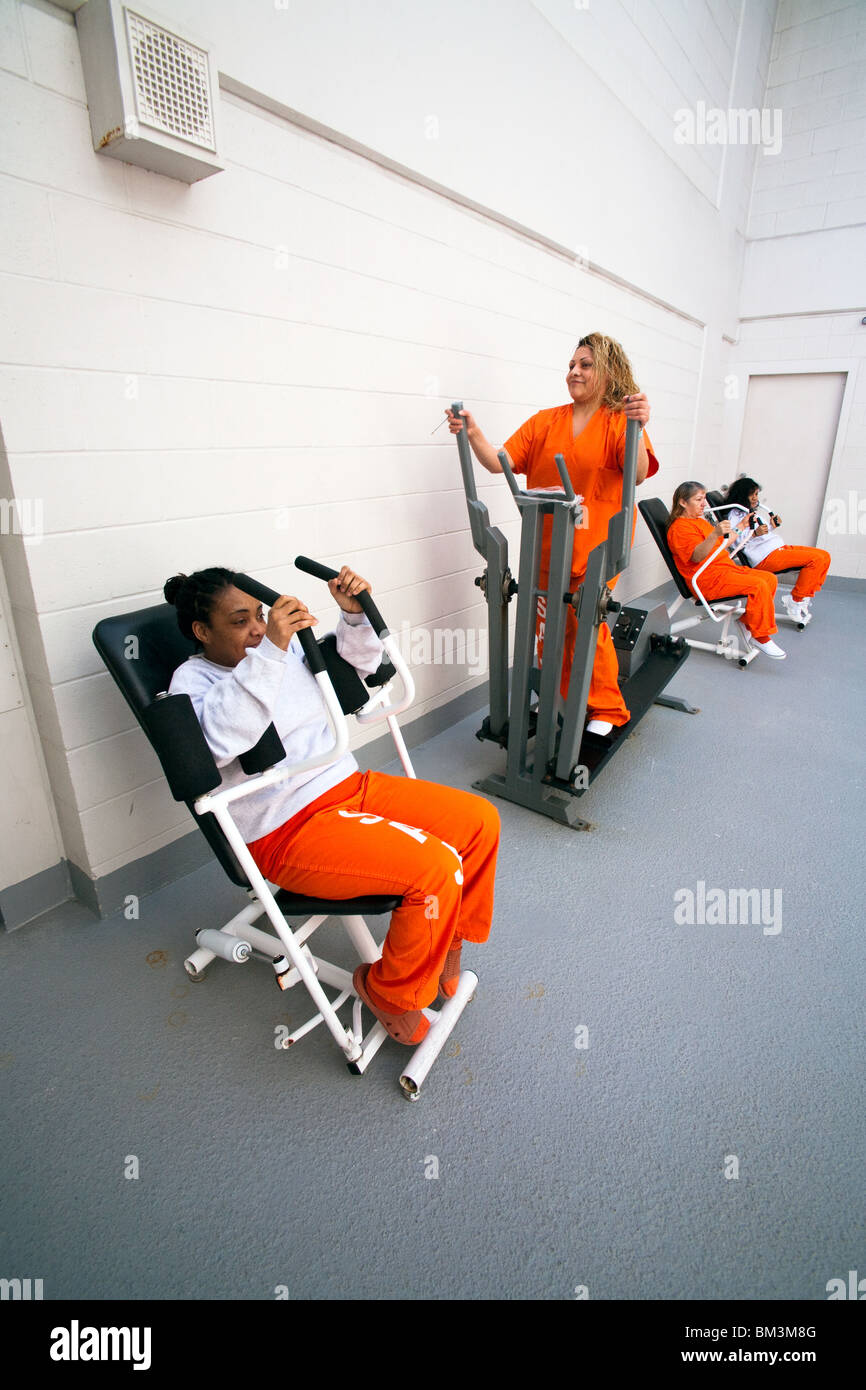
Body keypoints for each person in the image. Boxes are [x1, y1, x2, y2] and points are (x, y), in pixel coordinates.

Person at [164, 565, 499, 1046]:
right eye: (240, 622)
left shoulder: (279, 651)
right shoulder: (192, 683)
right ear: (202, 631)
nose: (258, 628)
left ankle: (447, 940)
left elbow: (352, 666)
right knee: (436, 871)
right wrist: (273, 652)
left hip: (348, 786)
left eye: (259, 615)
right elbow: (220, 741)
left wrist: (354, 617)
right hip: (284, 829)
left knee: (479, 821)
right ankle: (391, 993)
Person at [447, 332, 658, 736]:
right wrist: (472, 431)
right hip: (546, 543)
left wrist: (637, 427)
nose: (574, 371)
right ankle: (560, 691)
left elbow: (639, 473)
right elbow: (498, 462)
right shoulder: (546, 421)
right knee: (545, 623)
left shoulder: (619, 421)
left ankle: (606, 709)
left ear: (609, 372)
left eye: (585, 365)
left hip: (598, 545)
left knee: (584, 623)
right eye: (571, 365)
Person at [666, 482, 786, 660]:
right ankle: (761, 636)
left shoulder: (699, 521)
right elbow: (697, 556)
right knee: (759, 585)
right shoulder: (679, 529)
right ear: (683, 502)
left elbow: (723, 544)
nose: (704, 504)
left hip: (724, 570)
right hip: (707, 580)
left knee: (769, 579)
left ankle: (748, 623)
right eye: (698, 500)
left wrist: (743, 526)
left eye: (704, 499)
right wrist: (714, 534)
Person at [720, 476, 830, 623]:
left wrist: (771, 526)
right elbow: (735, 542)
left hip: (777, 548)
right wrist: (755, 534)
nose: (755, 498)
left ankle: (802, 596)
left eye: (757, 494)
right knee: (815, 560)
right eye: (752, 494)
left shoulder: (750, 511)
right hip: (766, 557)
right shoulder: (735, 514)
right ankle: (796, 600)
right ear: (742, 495)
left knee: (824, 556)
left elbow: (760, 534)